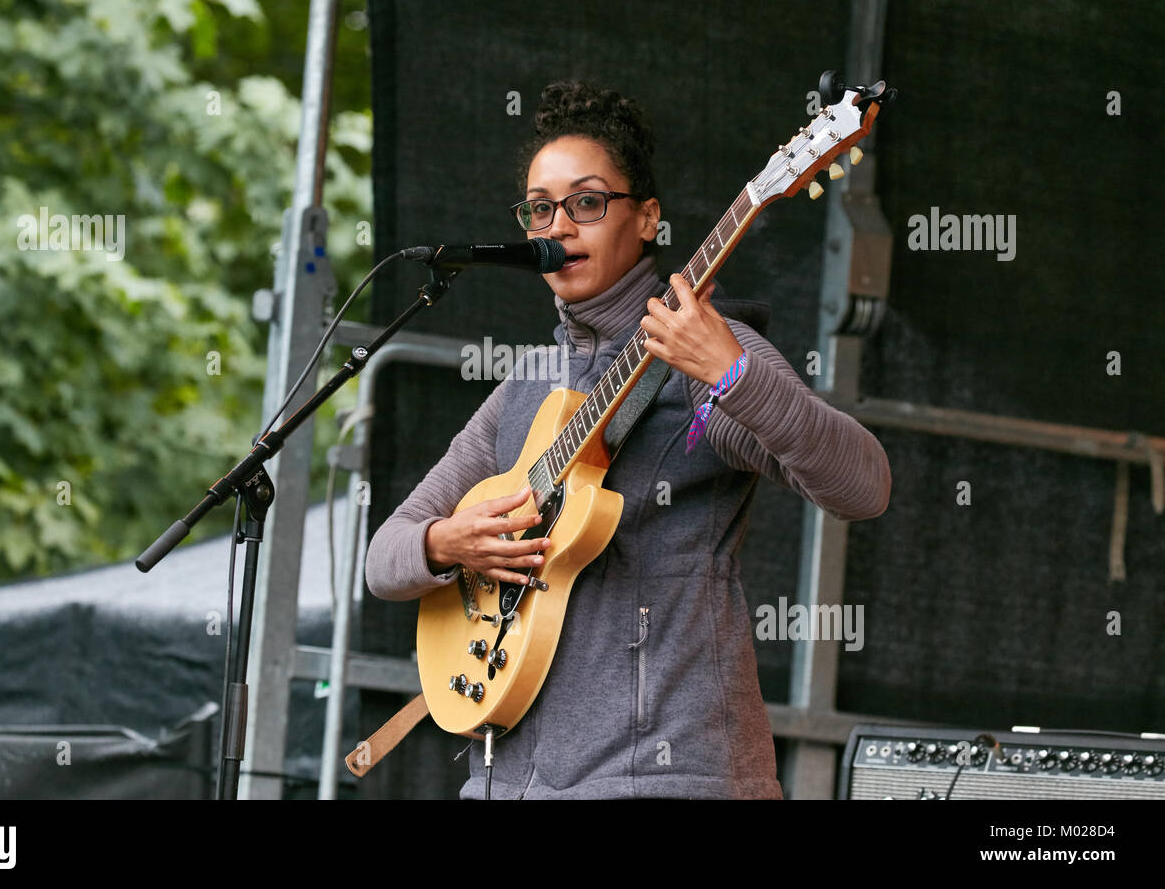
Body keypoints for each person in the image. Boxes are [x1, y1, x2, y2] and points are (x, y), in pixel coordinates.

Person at [365, 78, 891, 799]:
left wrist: (731, 373)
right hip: (510, 782)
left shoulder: (710, 350)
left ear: (646, 218)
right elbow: (383, 560)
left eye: (586, 202)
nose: (559, 227)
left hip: (669, 778)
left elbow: (864, 486)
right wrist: (444, 544)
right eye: (540, 209)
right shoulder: (527, 383)